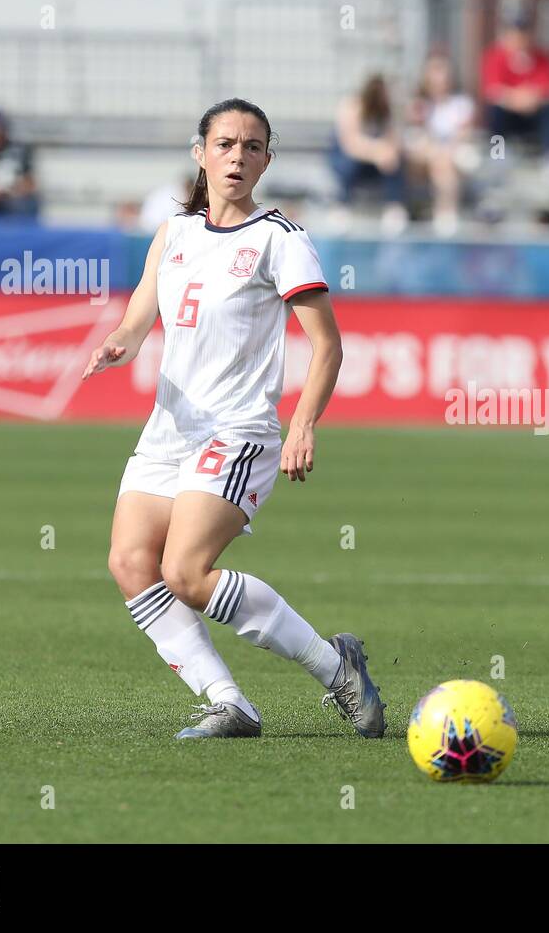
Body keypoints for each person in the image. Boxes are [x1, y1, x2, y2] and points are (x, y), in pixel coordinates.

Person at [82, 97, 386, 740]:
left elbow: (327, 344)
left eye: (251, 147)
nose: (236, 157)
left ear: (266, 161)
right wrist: (120, 345)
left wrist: (302, 425)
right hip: (169, 430)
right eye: (224, 144)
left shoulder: (280, 239)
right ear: (200, 154)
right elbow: (139, 319)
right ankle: (229, 702)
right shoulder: (175, 233)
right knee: (131, 562)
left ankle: (337, 669)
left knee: (185, 572)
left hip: (238, 429)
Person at [480, 12, 549, 177]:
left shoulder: (543, 57)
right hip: (508, 112)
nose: (518, 37)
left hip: (534, 113)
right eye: (514, 32)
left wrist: (529, 99)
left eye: (522, 32)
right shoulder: (495, 55)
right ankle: (497, 155)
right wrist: (517, 98)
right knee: (496, 112)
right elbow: (492, 91)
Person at [405, 52, 476, 236]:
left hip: (450, 156)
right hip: (424, 156)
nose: (439, 78)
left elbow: (463, 135)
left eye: (443, 71)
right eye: (434, 71)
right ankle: (403, 206)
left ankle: (446, 212)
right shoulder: (419, 104)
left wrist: (443, 150)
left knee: (443, 162)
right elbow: (417, 134)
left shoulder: (462, 104)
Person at [329, 74, 408, 234]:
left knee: (393, 160)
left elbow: (395, 142)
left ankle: (394, 205)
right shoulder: (351, 106)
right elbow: (350, 144)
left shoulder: (388, 111)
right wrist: (377, 151)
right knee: (349, 163)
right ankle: (342, 204)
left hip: (376, 162)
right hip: (352, 160)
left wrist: (385, 152)